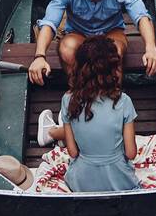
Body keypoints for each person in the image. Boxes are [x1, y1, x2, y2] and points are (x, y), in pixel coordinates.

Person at [58, 36, 141, 192]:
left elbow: (73, 152)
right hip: (120, 181)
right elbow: (131, 153)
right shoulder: (124, 101)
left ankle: (53, 130)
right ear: (113, 69)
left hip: (82, 182)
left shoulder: (67, 99)